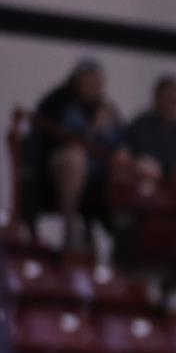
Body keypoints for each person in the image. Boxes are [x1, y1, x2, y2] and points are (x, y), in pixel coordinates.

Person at [24, 57, 124, 252]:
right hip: (57, 169)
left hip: (99, 175)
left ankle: (126, 240)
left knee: (129, 165)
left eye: (97, 83)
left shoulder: (107, 108)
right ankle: (71, 229)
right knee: (75, 158)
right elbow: (50, 140)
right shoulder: (56, 102)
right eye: (88, 83)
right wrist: (93, 130)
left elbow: (121, 142)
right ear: (76, 81)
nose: (93, 88)